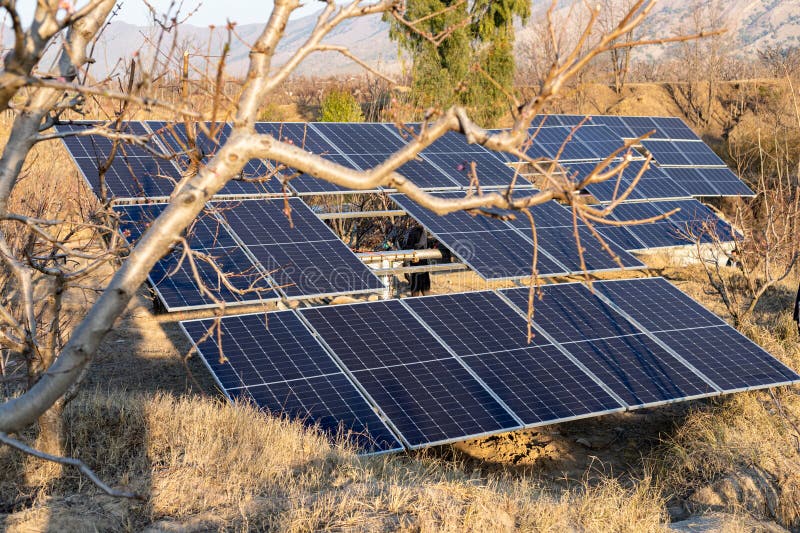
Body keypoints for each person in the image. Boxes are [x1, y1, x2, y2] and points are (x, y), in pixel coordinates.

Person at [404, 225, 431, 297]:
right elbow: (423, 244)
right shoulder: (422, 232)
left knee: (416, 289)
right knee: (425, 289)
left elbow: (408, 247)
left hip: (415, 264)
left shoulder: (412, 231)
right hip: (423, 263)